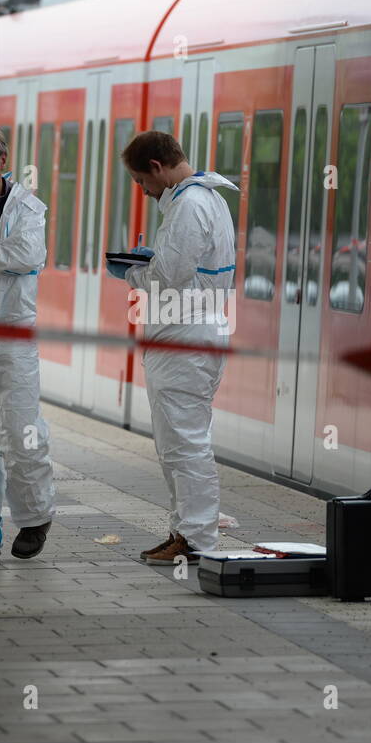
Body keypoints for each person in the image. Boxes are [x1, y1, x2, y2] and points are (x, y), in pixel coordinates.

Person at [108, 130, 236, 565]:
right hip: (199, 331)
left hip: (185, 336)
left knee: (184, 443)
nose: (142, 190)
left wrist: (130, 271)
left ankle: (196, 539)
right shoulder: (211, 199)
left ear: (158, 168)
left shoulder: (188, 206)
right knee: (182, 440)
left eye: (142, 180)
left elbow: (168, 277)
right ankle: (186, 529)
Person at [0, 127, 56, 561]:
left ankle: (34, 516)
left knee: (20, 431)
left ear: (2, 157)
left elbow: (28, 254)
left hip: (13, 335)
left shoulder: (28, 207)